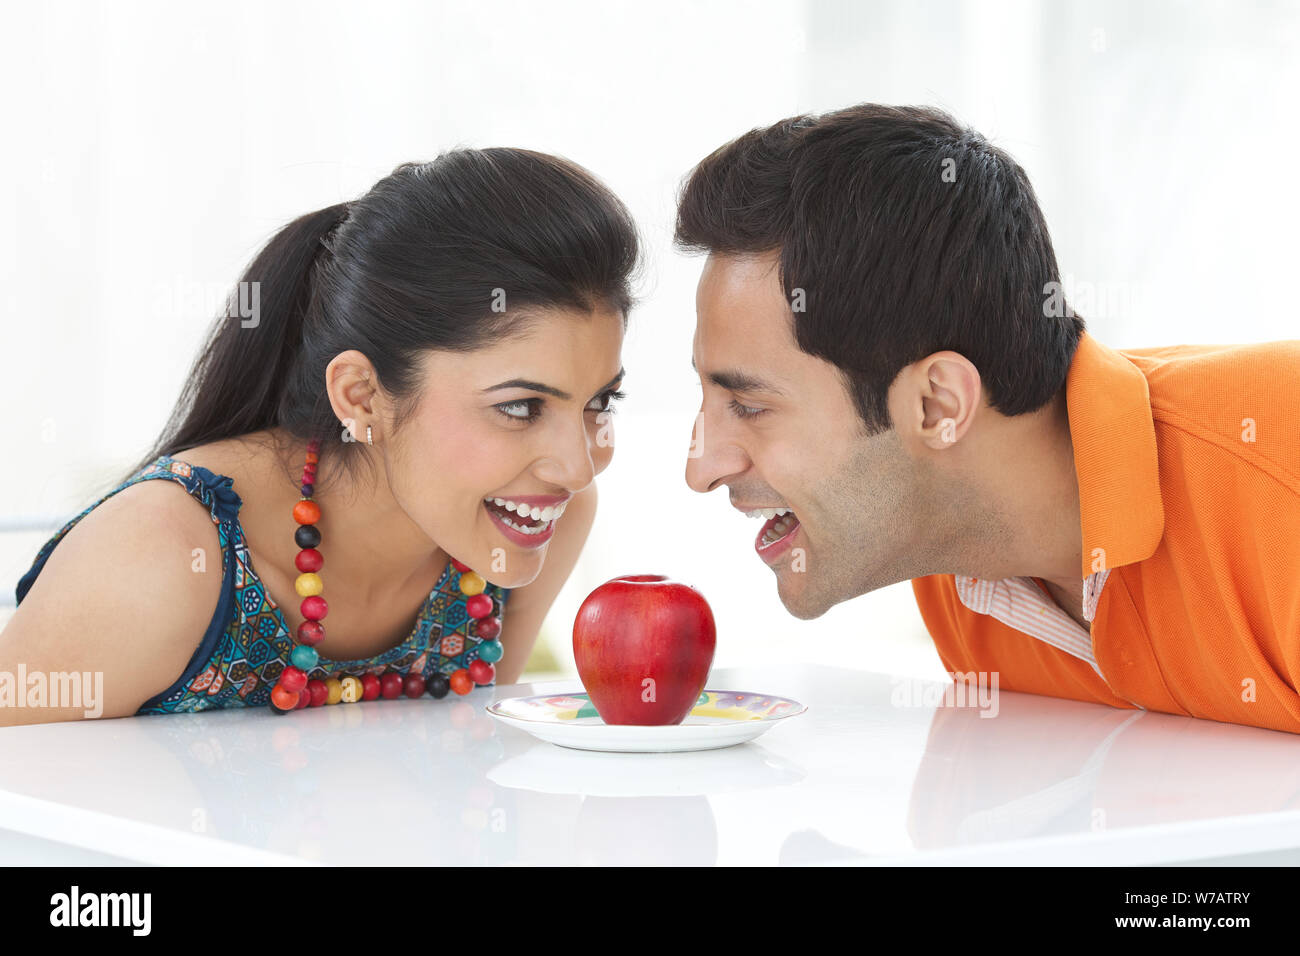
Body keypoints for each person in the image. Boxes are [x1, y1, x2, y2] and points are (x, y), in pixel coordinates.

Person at [676, 103, 1300, 735]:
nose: (700, 469)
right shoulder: (964, 574)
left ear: (938, 406)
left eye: (750, 407)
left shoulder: (1279, 479)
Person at [2, 148, 638, 725]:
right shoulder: (162, 556)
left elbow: (462, 773)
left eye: (599, 402)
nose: (577, 470)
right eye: (522, 407)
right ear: (361, 396)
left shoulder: (523, 524)